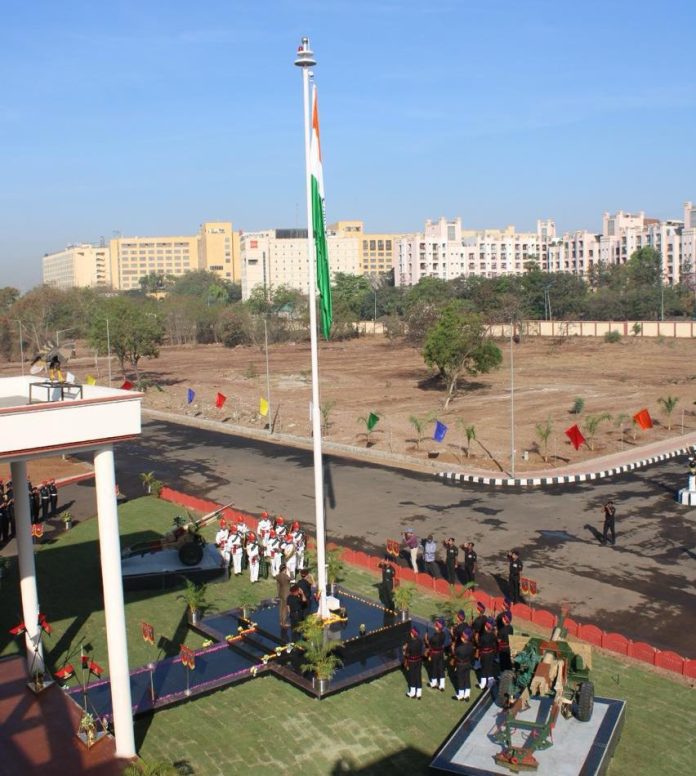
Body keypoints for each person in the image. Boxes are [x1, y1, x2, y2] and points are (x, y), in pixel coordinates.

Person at [452, 627, 475, 701]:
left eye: (463, 636)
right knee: (467, 678)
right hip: (468, 663)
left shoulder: (460, 648)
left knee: (461, 679)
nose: (461, 637)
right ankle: (467, 695)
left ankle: (461, 695)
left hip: (460, 664)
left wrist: (453, 648)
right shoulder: (471, 645)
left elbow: (455, 653)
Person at [403, 626, 424, 699]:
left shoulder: (411, 644)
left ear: (412, 634)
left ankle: (412, 693)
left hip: (412, 661)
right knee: (418, 675)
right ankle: (419, 693)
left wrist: (404, 650)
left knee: (412, 676)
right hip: (419, 660)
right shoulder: (420, 641)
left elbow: (407, 654)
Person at [426, 618, 447, 691]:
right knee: (441, 668)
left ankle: (434, 683)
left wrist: (426, 639)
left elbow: (429, 644)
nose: (435, 626)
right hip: (441, 653)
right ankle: (442, 685)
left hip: (434, 654)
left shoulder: (434, 638)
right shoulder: (443, 634)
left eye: (436, 625)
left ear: (438, 627)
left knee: (434, 668)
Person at [478, 619, 498, 689]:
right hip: (491, 653)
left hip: (484, 654)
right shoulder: (493, 635)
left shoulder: (483, 637)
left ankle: (482, 684)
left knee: (484, 668)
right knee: (490, 667)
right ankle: (490, 681)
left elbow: (480, 645)